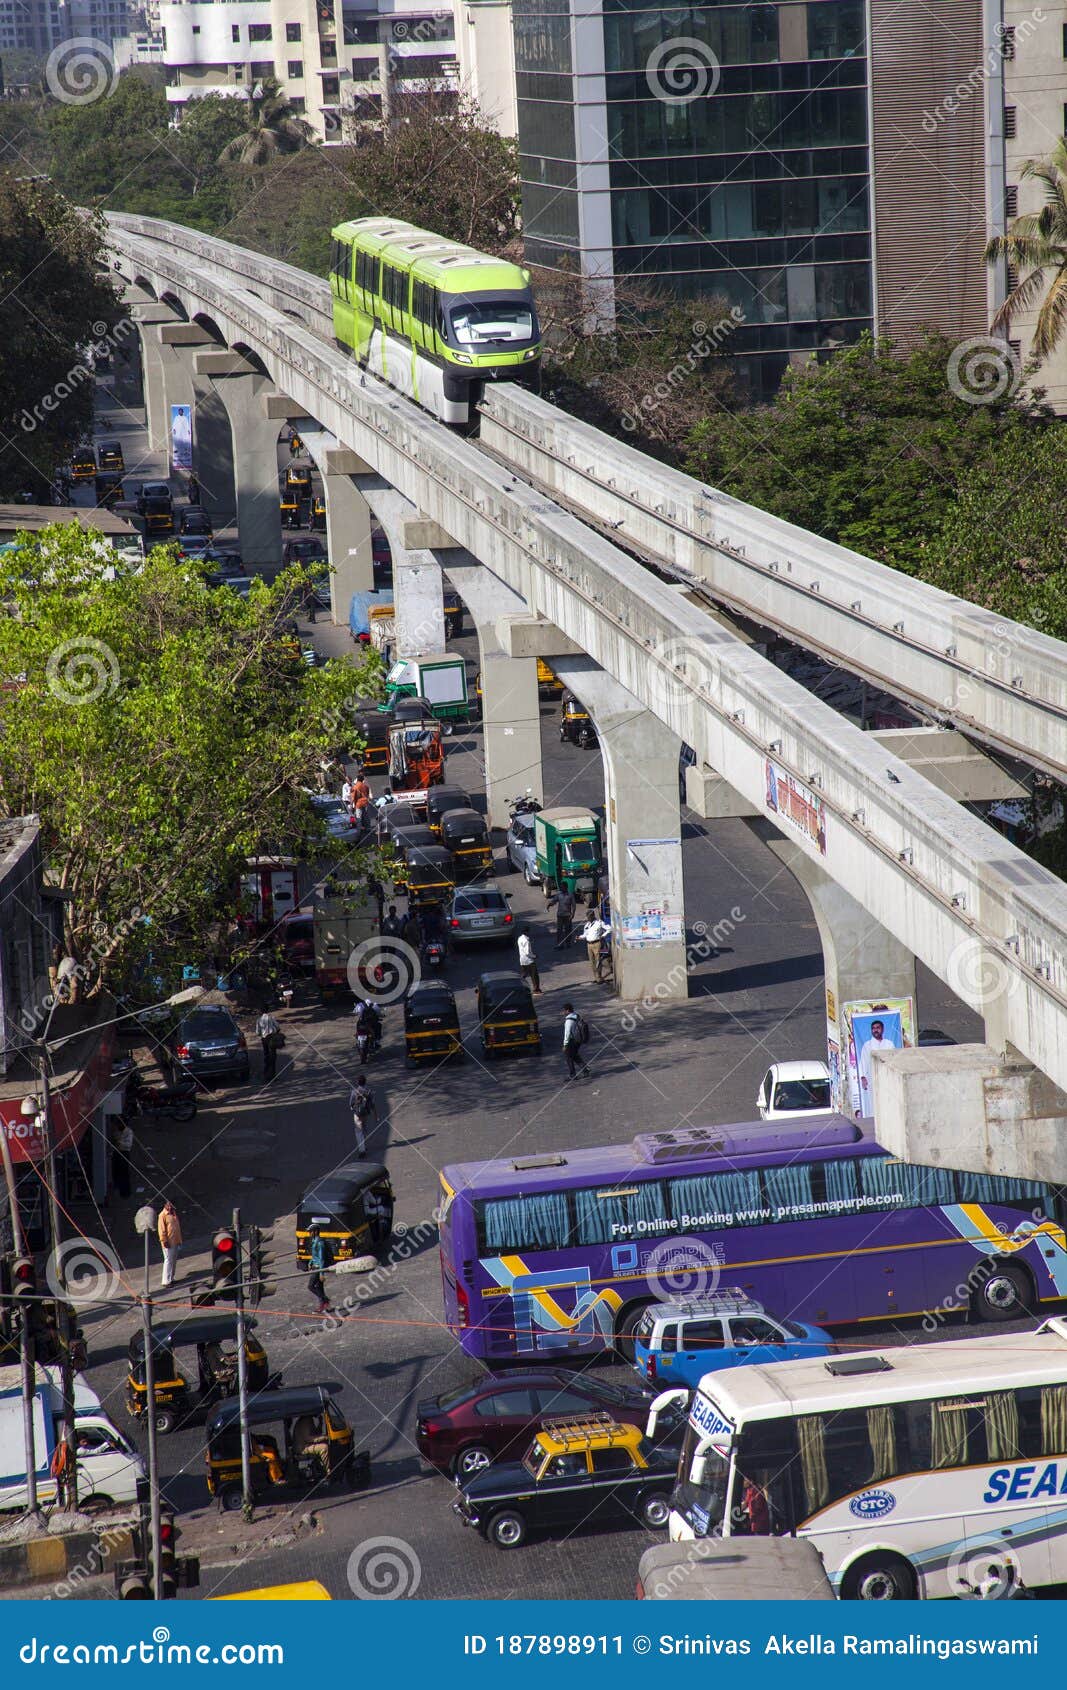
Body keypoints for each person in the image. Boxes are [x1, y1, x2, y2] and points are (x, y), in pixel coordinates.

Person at [858, 1018, 897, 1104]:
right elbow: (863, 1063)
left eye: (878, 1028)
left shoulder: (889, 1044)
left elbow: (893, 1060)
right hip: (872, 1079)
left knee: (888, 1101)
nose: (875, 1030)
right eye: (873, 1028)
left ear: (882, 1029)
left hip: (887, 1078)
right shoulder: (867, 1045)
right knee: (874, 1103)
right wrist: (863, 1078)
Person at [307, 1224, 333, 1314]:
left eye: (310, 1232)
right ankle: (324, 1306)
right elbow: (314, 1255)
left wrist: (321, 1273)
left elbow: (321, 1258)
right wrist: (310, 1262)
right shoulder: (314, 1241)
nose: (309, 1233)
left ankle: (325, 1300)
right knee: (319, 1287)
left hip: (318, 1268)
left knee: (310, 1286)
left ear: (315, 1232)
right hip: (315, 1266)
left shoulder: (320, 1243)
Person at [349, 1072, 377, 1154]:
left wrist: (354, 1108)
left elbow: (350, 1104)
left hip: (357, 1113)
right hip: (365, 1113)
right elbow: (373, 1104)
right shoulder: (369, 1091)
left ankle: (362, 1150)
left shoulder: (354, 1091)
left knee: (358, 1131)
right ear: (365, 1082)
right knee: (364, 1128)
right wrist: (376, 1115)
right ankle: (364, 1145)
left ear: (357, 1082)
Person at [158, 1199, 182, 1288]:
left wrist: (179, 1240)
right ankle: (166, 1281)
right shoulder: (162, 1215)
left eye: (171, 1205)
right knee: (168, 1260)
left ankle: (171, 1278)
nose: (170, 1207)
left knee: (173, 1260)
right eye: (168, 1205)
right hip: (168, 1242)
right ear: (165, 1205)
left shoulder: (173, 1213)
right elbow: (161, 1230)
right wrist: (164, 1241)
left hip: (175, 1240)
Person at [561, 1002, 588, 1080]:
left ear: (567, 1010)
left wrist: (565, 1045)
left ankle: (572, 1075)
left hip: (572, 1041)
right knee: (574, 1055)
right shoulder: (576, 1015)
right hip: (579, 1039)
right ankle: (585, 1069)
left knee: (569, 1057)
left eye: (564, 1010)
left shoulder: (568, 1021)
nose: (562, 1012)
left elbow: (567, 1034)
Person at [111, 1116, 134, 1199]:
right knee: (116, 1172)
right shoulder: (116, 1131)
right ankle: (118, 1190)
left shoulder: (128, 1132)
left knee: (124, 1173)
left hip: (124, 1153)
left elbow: (128, 1145)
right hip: (116, 1153)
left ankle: (125, 1193)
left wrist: (119, 1142)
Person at [256, 1006, 281, 1082]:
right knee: (272, 1056)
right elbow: (277, 1027)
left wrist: (262, 1034)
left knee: (266, 1056)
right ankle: (272, 1075)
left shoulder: (259, 1020)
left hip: (264, 1039)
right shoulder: (271, 1018)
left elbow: (257, 1032)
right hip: (271, 1038)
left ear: (261, 1011)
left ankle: (266, 1074)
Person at [582, 911, 607, 983]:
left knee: (598, 961)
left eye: (589, 917)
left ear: (593, 916)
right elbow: (585, 935)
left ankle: (599, 977)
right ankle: (596, 977)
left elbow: (609, 929)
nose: (588, 918)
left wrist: (603, 935)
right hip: (589, 944)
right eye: (587, 917)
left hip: (597, 943)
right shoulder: (587, 925)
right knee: (592, 962)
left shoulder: (599, 923)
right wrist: (580, 937)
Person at [517, 928, 541, 993]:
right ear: (526, 932)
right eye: (528, 932)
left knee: (524, 974)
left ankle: (518, 986)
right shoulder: (526, 941)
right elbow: (527, 953)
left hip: (522, 960)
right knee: (534, 975)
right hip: (529, 960)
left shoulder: (519, 938)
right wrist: (534, 956)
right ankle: (536, 990)